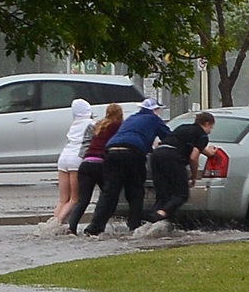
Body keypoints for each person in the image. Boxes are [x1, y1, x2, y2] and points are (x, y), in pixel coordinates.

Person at [82, 97, 170, 236]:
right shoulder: (154, 119)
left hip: (111, 151)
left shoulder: (131, 119)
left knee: (110, 192)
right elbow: (169, 137)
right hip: (132, 152)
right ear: (155, 110)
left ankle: (95, 227)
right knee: (135, 191)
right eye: (159, 110)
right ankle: (134, 227)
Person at [67, 103, 124, 235]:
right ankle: (97, 225)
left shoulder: (98, 125)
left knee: (83, 200)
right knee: (108, 196)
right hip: (101, 164)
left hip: (86, 164)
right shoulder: (117, 126)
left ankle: (71, 228)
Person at [149, 111, 216, 222]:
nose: (210, 131)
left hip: (156, 155)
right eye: (211, 128)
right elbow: (193, 157)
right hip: (172, 157)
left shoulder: (183, 127)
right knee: (181, 194)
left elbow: (192, 145)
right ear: (207, 124)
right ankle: (161, 213)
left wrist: (209, 153)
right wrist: (194, 176)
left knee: (163, 194)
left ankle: (152, 222)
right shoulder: (203, 136)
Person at [52, 99, 94, 224]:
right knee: (74, 199)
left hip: (63, 158)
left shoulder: (74, 124)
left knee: (63, 200)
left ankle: (52, 222)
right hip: (76, 160)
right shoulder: (92, 124)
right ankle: (57, 224)